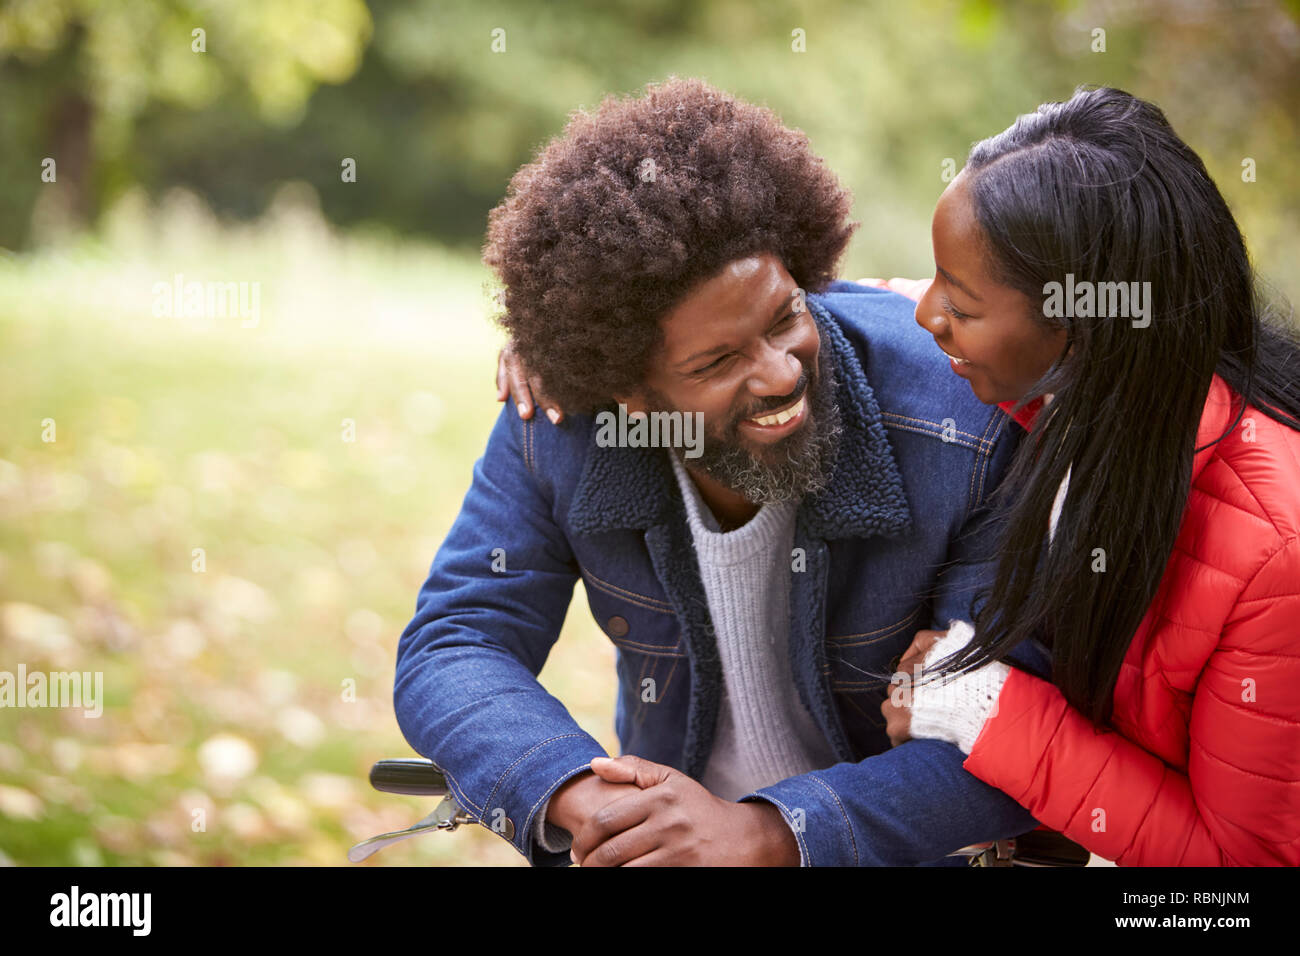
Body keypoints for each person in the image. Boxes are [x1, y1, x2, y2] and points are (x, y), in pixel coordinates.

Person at [394, 76, 1052, 867]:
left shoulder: (963, 419)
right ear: (628, 393)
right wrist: (583, 798)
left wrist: (769, 834)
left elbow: (1018, 730)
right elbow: (457, 639)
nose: (780, 374)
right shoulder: (562, 426)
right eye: (716, 361)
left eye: (785, 318)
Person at [873, 86, 1300, 866]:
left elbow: (1238, 880)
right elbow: (869, 307)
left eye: (960, 302)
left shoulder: (1273, 557)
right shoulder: (1105, 389)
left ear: (1079, 326)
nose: (926, 314)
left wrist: (978, 704)